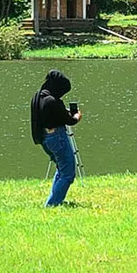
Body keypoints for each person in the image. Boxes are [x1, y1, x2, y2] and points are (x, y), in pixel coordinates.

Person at [31, 70, 84, 206]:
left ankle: (55, 200)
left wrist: (62, 112)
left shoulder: (38, 97)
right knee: (68, 173)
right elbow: (70, 121)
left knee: (61, 168)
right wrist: (77, 116)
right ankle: (52, 204)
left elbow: (48, 115)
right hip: (57, 138)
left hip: (44, 139)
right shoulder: (53, 101)